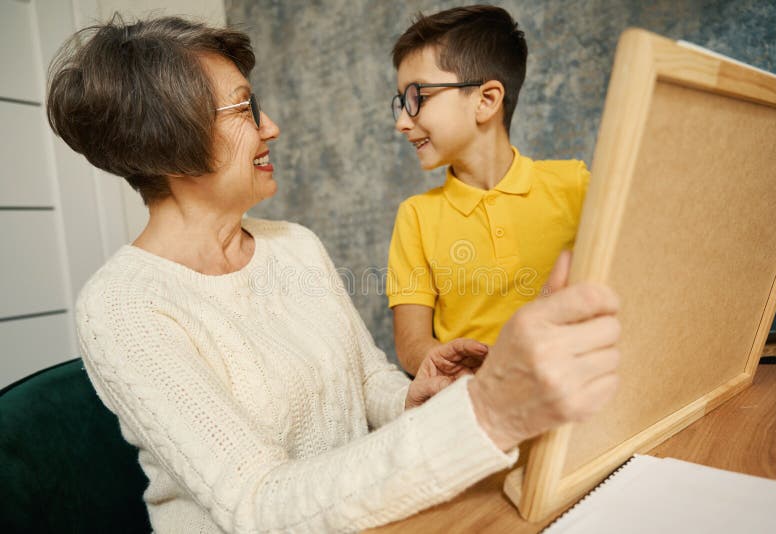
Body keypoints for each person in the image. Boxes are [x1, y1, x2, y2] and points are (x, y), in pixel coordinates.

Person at [47, 15, 621, 533]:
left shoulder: (294, 245)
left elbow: (369, 381)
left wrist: (414, 398)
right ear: (167, 135)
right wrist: (486, 414)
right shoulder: (123, 307)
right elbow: (257, 503)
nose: (270, 126)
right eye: (245, 109)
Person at [388, 5, 591, 375]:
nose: (402, 121)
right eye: (401, 103)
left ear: (486, 100)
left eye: (417, 97)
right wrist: (460, 375)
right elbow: (411, 344)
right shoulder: (416, 216)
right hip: (478, 408)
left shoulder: (576, 184)